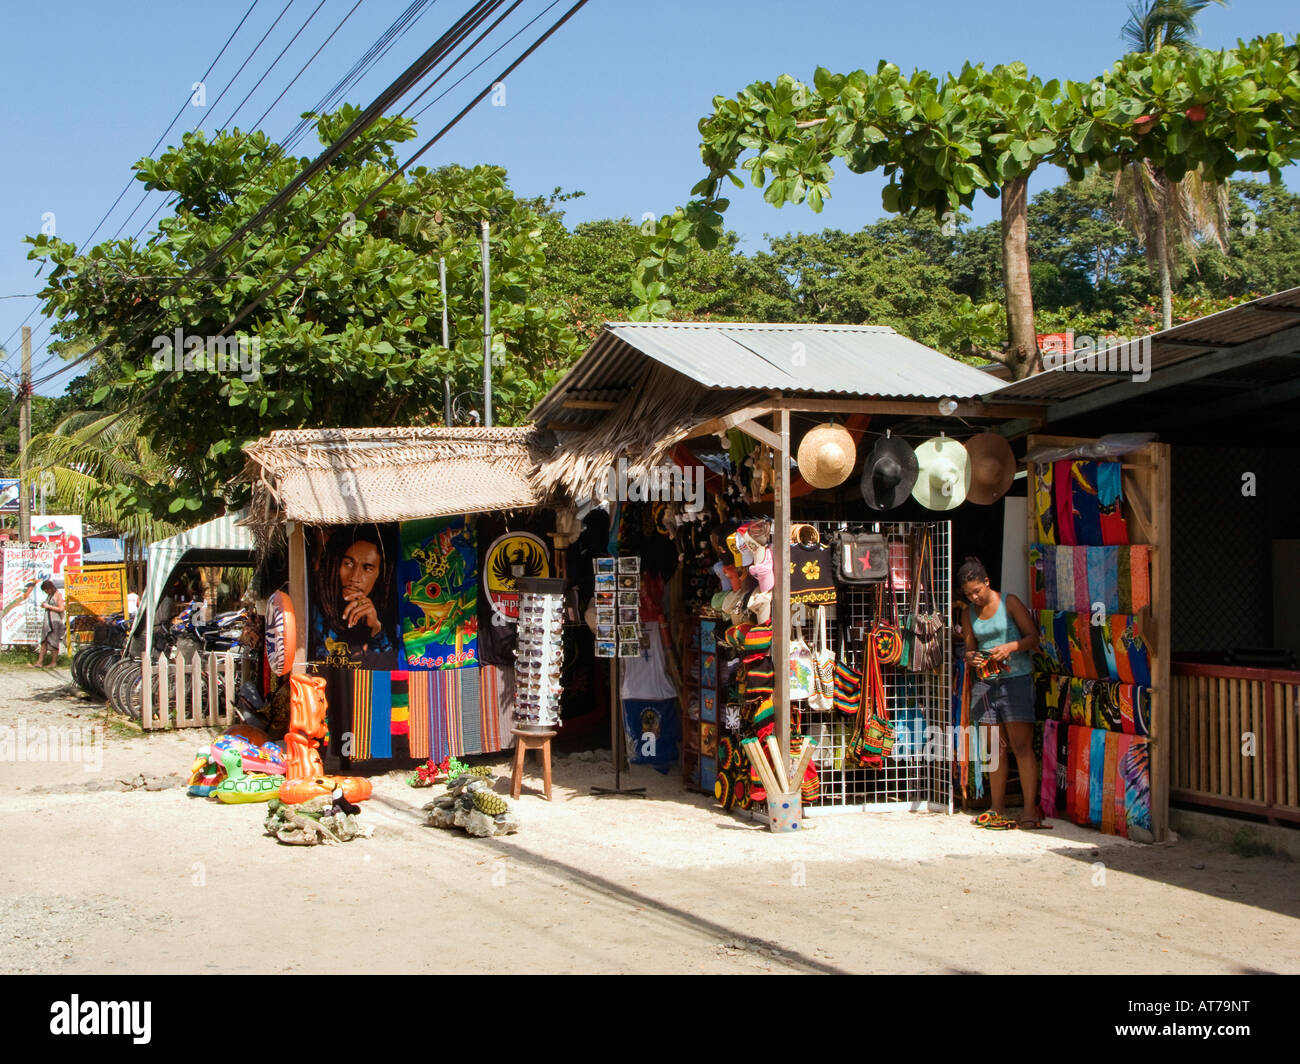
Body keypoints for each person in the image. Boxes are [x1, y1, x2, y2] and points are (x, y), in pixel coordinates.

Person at [958, 557, 1050, 830]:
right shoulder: (968, 613)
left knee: (1021, 747)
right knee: (995, 749)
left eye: (977, 591)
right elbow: (969, 648)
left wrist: (1010, 647)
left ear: (987, 582)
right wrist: (972, 657)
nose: (974, 597)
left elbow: (1033, 637)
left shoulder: (1009, 602)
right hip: (985, 684)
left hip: (1015, 681)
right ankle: (996, 808)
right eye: (968, 594)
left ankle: (1030, 811)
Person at [309, 525, 397, 668]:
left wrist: (376, 629)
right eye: (348, 564)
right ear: (336, 565)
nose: (355, 577)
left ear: (379, 575)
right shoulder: (313, 609)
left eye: (367, 568)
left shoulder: (389, 614)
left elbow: (390, 666)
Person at [32, 580, 65, 668]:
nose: (46, 592)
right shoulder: (49, 595)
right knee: (44, 642)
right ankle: (40, 662)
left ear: (50, 588)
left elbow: (61, 609)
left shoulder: (58, 594)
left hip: (54, 622)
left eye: (46, 590)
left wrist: (49, 606)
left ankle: (53, 662)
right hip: (47, 621)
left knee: (53, 642)